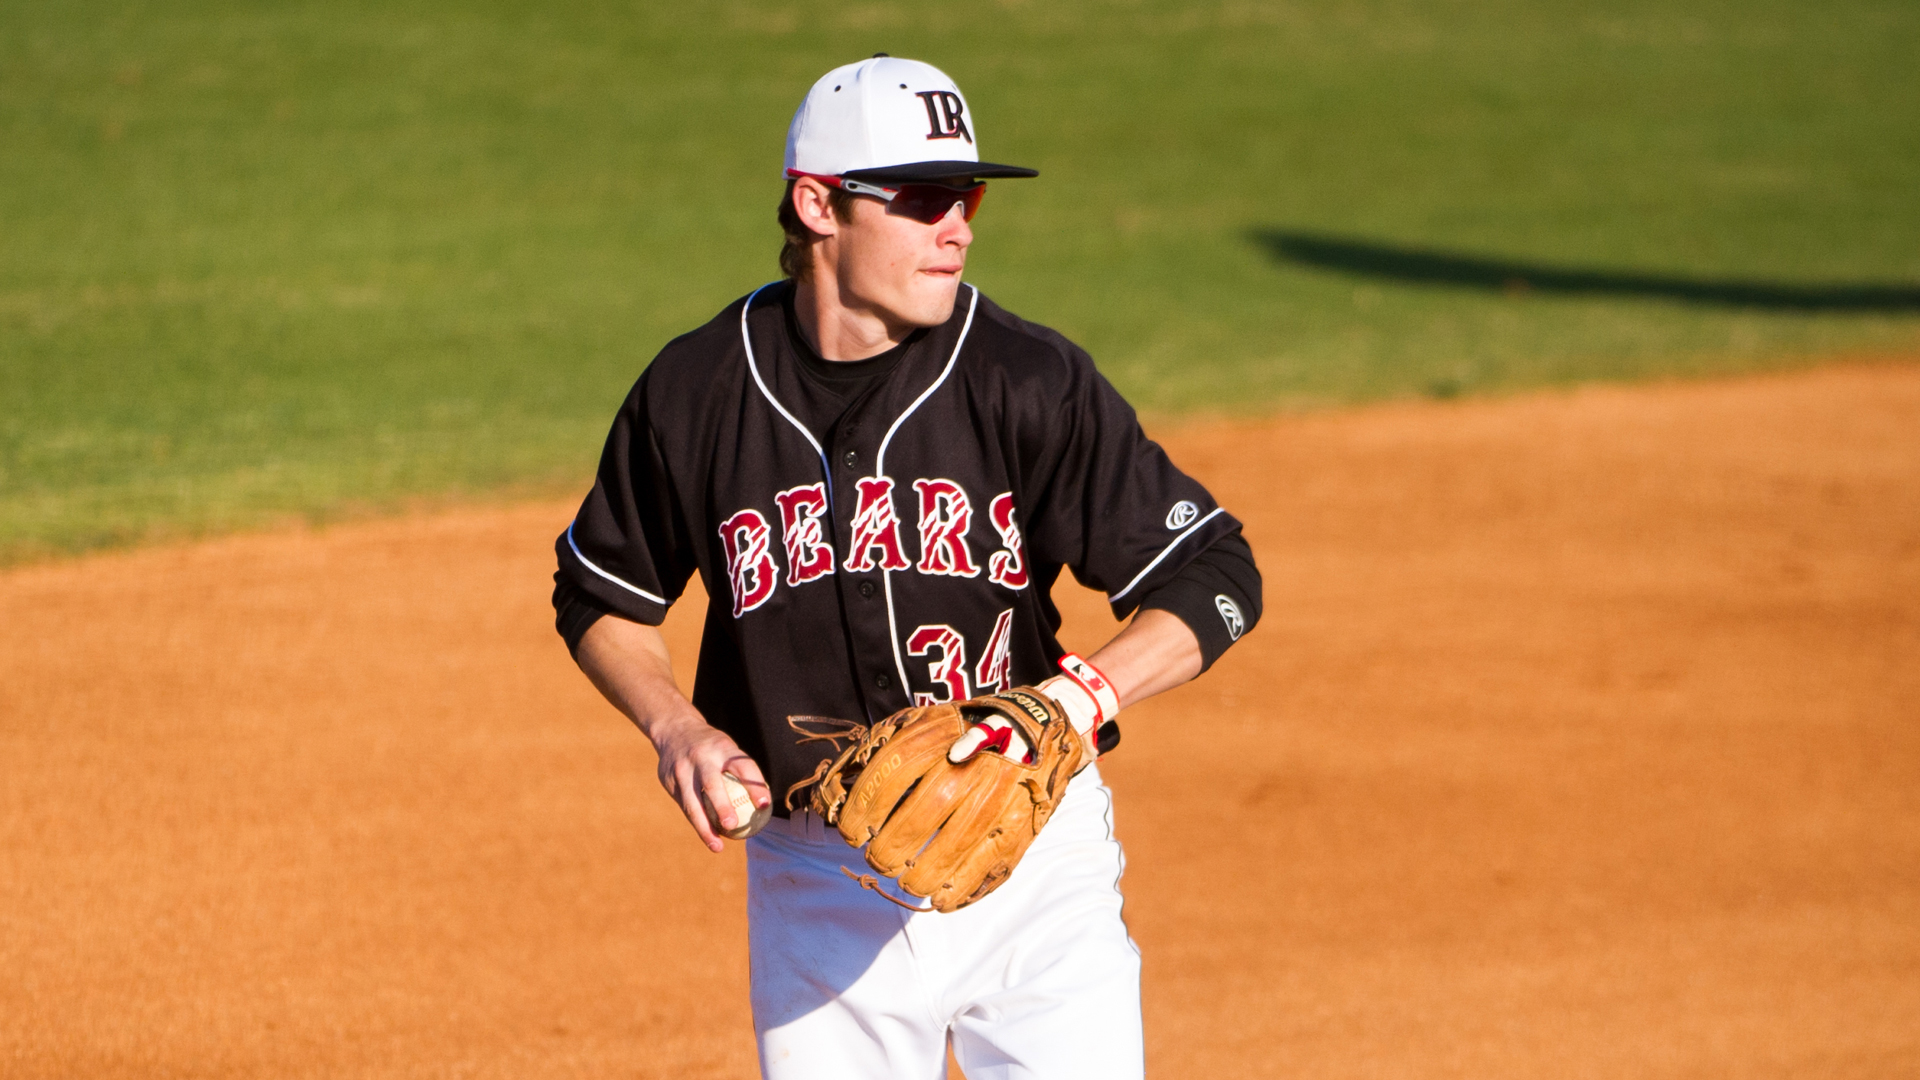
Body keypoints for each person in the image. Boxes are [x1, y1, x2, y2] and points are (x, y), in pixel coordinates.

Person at [552, 55, 1261, 1080]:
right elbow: (601, 596)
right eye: (923, 198)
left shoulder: (1025, 378)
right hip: (817, 884)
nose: (958, 227)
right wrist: (678, 729)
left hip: (1036, 865)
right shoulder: (697, 393)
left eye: (968, 197)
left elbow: (1215, 571)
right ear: (818, 206)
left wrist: (1071, 702)